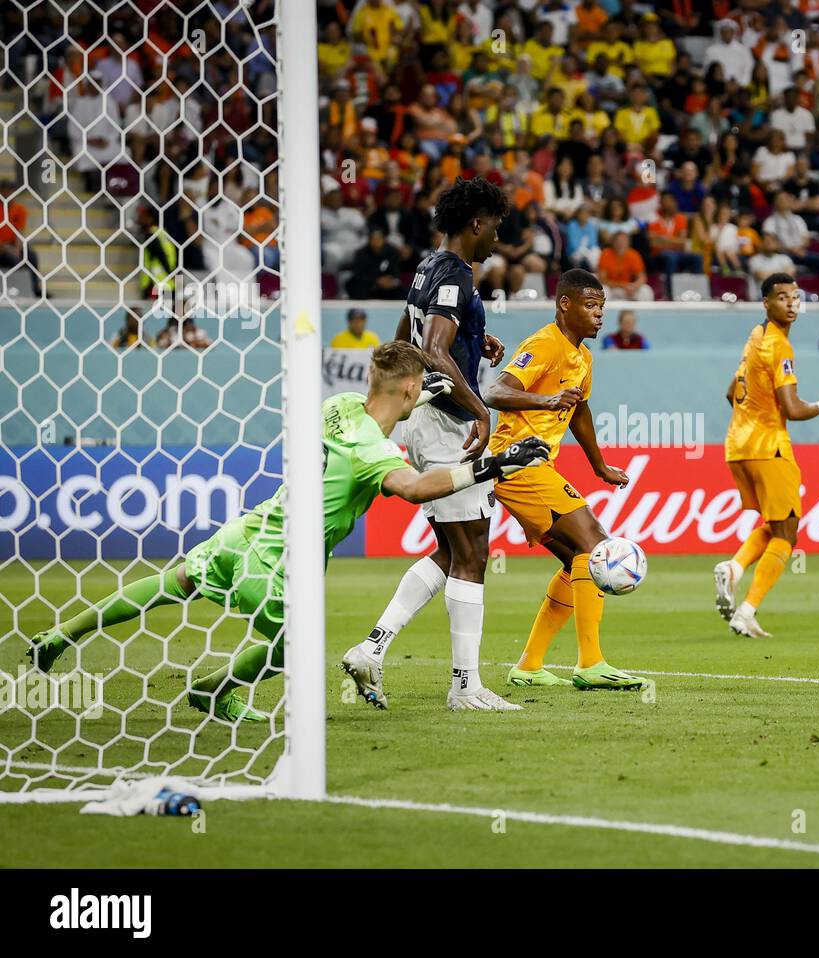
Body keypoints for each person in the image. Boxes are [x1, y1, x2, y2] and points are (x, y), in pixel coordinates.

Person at [27, 344, 549, 721]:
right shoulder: (373, 453)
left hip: (251, 527)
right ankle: (214, 689)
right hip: (281, 559)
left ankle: (61, 634)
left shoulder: (339, 406)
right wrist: (492, 466)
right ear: (412, 388)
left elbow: (381, 416)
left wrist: (420, 391)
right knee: (294, 644)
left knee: (175, 582)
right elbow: (413, 488)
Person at [343, 177, 518, 712]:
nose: (497, 241)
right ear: (476, 223)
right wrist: (480, 409)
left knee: (448, 551)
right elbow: (435, 351)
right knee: (473, 555)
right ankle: (465, 686)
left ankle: (372, 649)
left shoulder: (426, 265)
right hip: (446, 424)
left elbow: (407, 337)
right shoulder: (455, 273)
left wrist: (471, 340)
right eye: (495, 229)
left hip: (424, 419)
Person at [483, 269, 646, 690]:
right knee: (595, 544)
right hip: (515, 461)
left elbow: (581, 411)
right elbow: (495, 392)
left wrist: (599, 466)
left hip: (539, 465)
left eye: (602, 307)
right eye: (591, 306)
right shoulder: (545, 343)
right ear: (565, 305)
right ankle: (590, 663)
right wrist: (547, 398)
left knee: (578, 559)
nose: (599, 316)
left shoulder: (582, 357)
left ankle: (529, 665)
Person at [714, 273, 819, 638]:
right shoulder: (780, 347)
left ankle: (735, 570)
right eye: (782, 297)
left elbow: (730, 392)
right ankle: (747, 610)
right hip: (769, 446)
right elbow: (792, 407)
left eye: (795, 296)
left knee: (774, 524)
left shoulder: (755, 338)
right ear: (766, 303)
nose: (791, 303)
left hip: (737, 446)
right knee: (788, 534)